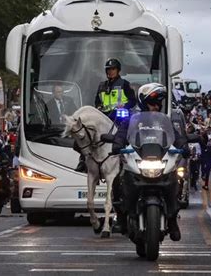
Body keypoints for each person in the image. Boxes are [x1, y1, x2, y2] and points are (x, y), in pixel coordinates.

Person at [121, 83, 187, 241]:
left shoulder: (165, 121)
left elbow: (176, 137)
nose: (156, 106)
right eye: (152, 103)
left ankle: (172, 220)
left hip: (160, 161)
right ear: (143, 102)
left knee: (175, 181)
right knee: (119, 180)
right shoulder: (132, 120)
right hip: (138, 161)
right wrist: (117, 144)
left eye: (158, 103)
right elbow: (121, 134)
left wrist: (184, 145)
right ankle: (122, 218)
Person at [74, 58, 136, 172]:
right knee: (86, 133)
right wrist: (98, 107)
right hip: (104, 116)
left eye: (113, 69)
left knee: (125, 136)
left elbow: (133, 100)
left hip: (118, 117)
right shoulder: (102, 85)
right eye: (108, 69)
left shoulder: (125, 84)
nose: (110, 71)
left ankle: (125, 161)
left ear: (118, 70)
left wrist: (125, 105)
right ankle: (83, 160)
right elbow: (97, 101)